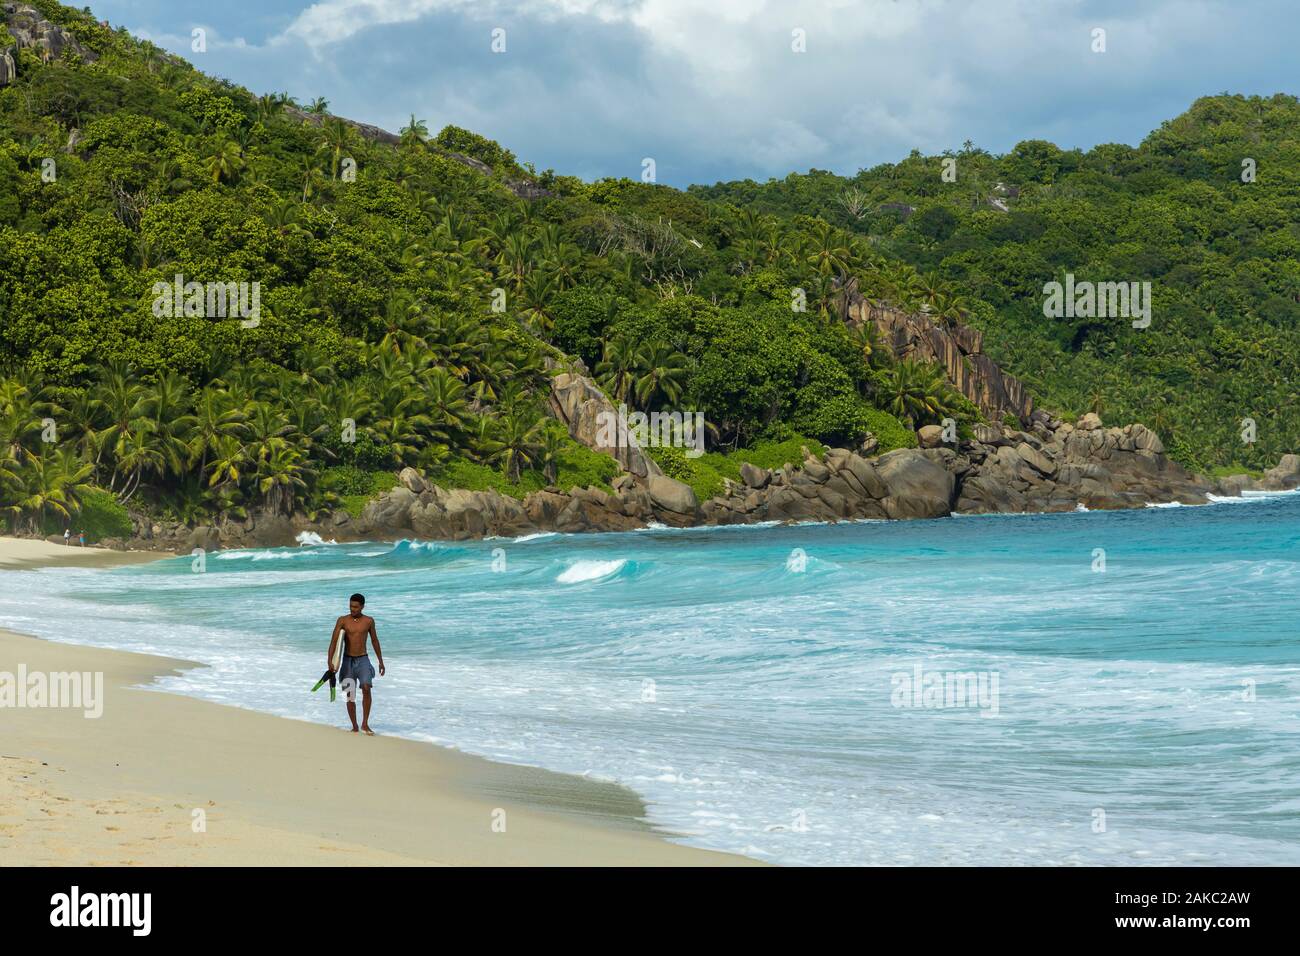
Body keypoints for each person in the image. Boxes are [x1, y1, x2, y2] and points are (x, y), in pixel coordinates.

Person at [326, 593, 385, 735]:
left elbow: (374, 641)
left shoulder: (369, 621)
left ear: (362, 606)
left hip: (363, 659)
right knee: (350, 694)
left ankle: (365, 723)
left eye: (356, 607)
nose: (353, 609)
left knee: (366, 687)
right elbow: (334, 641)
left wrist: (380, 661)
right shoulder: (342, 620)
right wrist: (330, 661)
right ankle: (354, 725)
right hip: (347, 661)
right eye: (351, 606)